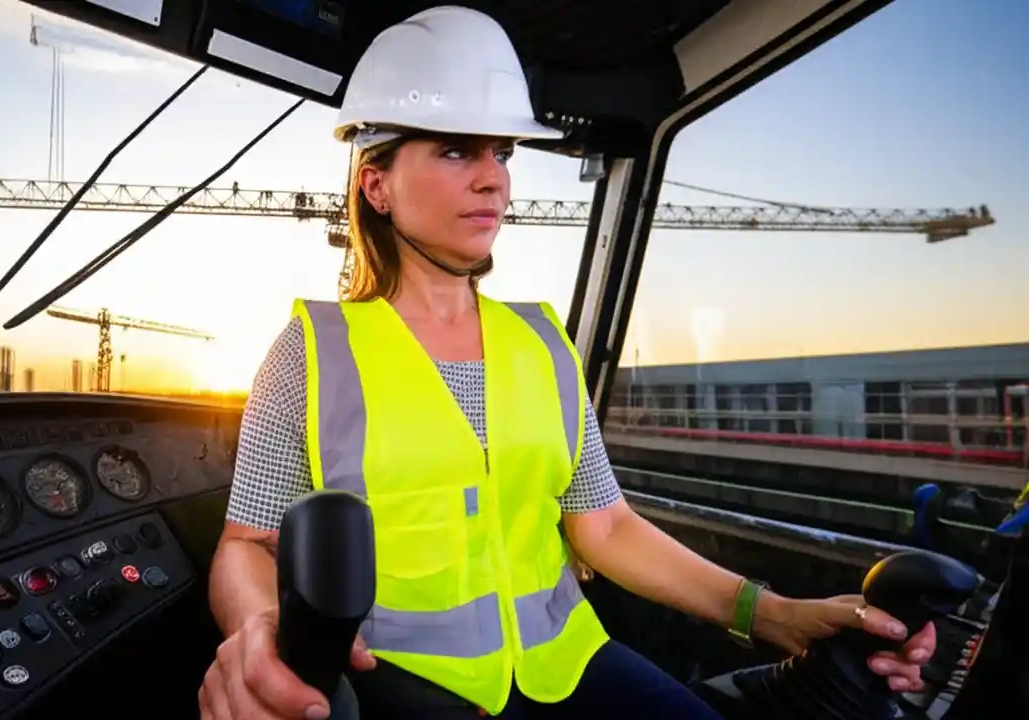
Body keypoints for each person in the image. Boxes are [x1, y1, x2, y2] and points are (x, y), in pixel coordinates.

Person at [198, 6, 936, 719]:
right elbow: (248, 544)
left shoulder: (542, 344)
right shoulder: (312, 352)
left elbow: (603, 526)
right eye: (457, 149)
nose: (494, 178)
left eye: (503, 152)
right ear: (376, 183)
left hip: (569, 663)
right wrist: (260, 631)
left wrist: (768, 614)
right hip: (403, 683)